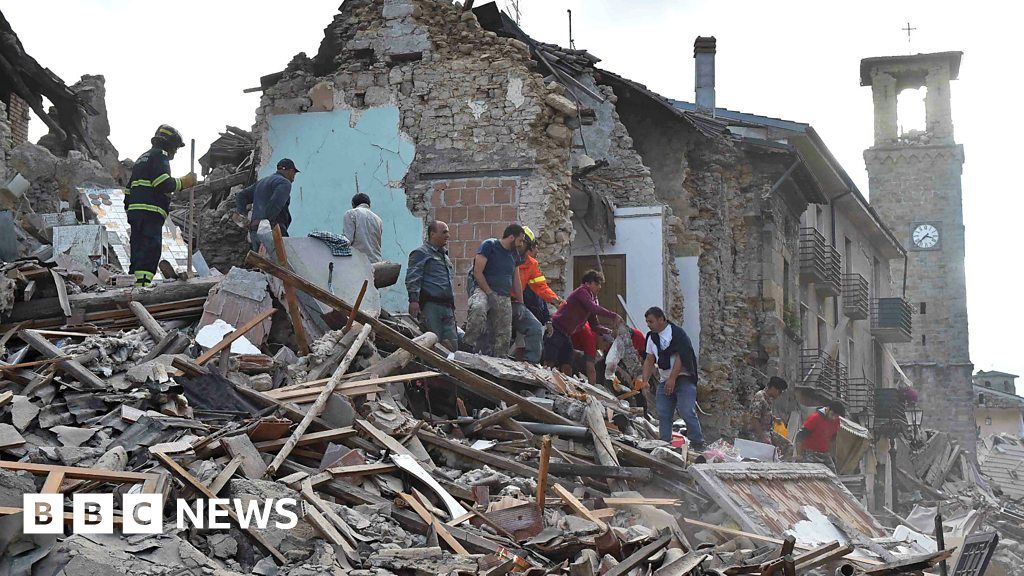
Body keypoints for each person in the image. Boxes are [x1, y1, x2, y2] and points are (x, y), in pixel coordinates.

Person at [125, 125, 197, 286]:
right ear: (170, 145)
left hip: (136, 213)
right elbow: (163, 183)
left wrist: (130, 210)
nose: (175, 152)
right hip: (150, 211)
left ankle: (135, 283)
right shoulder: (160, 156)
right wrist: (184, 182)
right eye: (176, 148)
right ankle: (143, 286)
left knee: (137, 248)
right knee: (151, 249)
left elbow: (128, 189)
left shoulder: (142, 158)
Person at [638, 306, 704, 450]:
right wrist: (645, 381)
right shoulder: (652, 337)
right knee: (663, 412)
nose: (648, 325)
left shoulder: (677, 334)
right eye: (647, 322)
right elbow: (649, 359)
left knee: (686, 410)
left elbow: (682, 356)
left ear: (661, 319)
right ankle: (665, 443)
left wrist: (672, 379)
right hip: (664, 379)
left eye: (651, 321)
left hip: (682, 378)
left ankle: (697, 442)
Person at [543, 269, 621, 377]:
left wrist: (609, 331)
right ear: (587, 283)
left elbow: (594, 325)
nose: (599, 287)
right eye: (597, 284)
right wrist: (613, 316)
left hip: (566, 334)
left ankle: (566, 391)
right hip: (556, 329)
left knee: (567, 364)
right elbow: (593, 308)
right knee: (549, 362)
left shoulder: (591, 299)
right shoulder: (582, 292)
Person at [464, 225, 526, 357]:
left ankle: (500, 361)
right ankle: (467, 346)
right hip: (483, 290)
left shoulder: (514, 254)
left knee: (504, 333)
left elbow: (516, 280)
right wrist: (489, 293)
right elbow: (477, 272)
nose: (521, 244)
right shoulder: (489, 246)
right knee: (478, 309)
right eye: (520, 240)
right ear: (511, 237)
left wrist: (521, 303)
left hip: (503, 296)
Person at [406, 221, 457, 350]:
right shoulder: (421, 253)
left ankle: (450, 370)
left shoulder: (444, 256)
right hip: (431, 307)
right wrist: (414, 301)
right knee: (434, 345)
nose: (448, 235)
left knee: (452, 346)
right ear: (433, 234)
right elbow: (413, 277)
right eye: (444, 232)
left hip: (447, 307)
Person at [235, 158, 300, 250]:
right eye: (294, 173)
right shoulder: (284, 182)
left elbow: (241, 196)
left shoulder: (261, 182)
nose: (294, 178)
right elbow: (276, 203)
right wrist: (266, 223)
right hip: (272, 230)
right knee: (280, 262)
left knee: (262, 263)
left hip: (255, 231)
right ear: (290, 170)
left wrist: (243, 215)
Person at [510, 226, 552, 363]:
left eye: (524, 243)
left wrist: (555, 301)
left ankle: (529, 367)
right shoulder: (502, 255)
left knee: (534, 329)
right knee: (503, 340)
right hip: (500, 302)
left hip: (517, 305)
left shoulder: (531, 265)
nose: (521, 245)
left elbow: (540, 291)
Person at [741, 376, 793, 457]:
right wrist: (762, 437)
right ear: (773, 388)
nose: (780, 394)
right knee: (770, 452)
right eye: (779, 391)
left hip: (768, 431)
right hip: (756, 433)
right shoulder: (760, 398)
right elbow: (754, 419)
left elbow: (764, 413)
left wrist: (774, 419)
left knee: (788, 446)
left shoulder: (768, 399)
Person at [794, 400, 846, 470]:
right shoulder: (815, 418)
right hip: (810, 453)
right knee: (810, 475)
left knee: (833, 476)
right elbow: (800, 436)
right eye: (833, 414)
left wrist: (833, 456)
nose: (834, 418)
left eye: (836, 416)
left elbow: (833, 439)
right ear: (827, 409)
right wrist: (799, 455)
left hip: (824, 454)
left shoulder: (837, 421)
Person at [343, 193, 383, 263]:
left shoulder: (351, 213)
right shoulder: (378, 219)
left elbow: (347, 240)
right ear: (369, 205)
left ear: (353, 204)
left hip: (359, 263)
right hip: (377, 262)